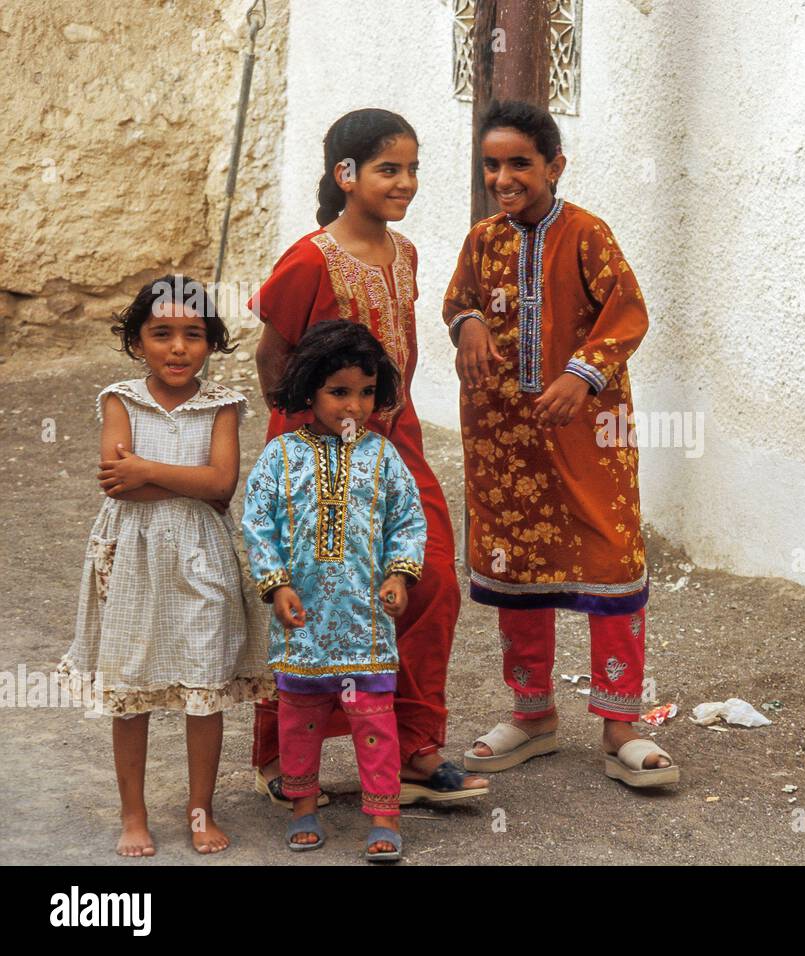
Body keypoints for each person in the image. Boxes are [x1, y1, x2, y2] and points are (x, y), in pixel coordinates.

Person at [250, 108, 488, 805]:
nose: (406, 182)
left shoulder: (406, 255)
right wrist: (312, 443)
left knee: (433, 578)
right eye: (390, 169)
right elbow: (273, 359)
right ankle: (280, 759)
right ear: (345, 175)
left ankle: (412, 746)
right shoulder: (307, 259)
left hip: (396, 445)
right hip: (315, 451)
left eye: (413, 168)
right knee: (311, 593)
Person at [444, 99, 677, 787]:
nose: (504, 176)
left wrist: (583, 374)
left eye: (520, 162)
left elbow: (627, 313)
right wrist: (468, 325)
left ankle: (620, 726)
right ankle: (533, 714)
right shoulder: (482, 239)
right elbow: (458, 299)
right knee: (516, 569)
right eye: (492, 164)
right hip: (502, 439)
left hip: (585, 433)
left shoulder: (587, 235)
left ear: (554, 166)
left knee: (612, 560)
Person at [58, 276, 272, 856]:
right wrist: (181, 482)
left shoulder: (221, 405)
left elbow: (222, 484)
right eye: (162, 334)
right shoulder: (119, 399)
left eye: (194, 335)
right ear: (136, 342)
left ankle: (200, 810)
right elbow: (117, 487)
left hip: (203, 560)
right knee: (133, 688)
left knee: (204, 686)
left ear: (211, 342)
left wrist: (146, 469)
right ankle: (134, 813)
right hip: (131, 558)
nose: (178, 348)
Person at [244, 320, 425, 861]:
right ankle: (302, 807)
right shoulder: (279, 457)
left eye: (367, 392)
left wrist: (398, 574)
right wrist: (276, 586)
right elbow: (258, 524)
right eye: (339, 391)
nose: (356, 406)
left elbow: (408, 521)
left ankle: (383, 812)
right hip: (301, 621)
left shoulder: (382, 456)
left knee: (374, 715)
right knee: (299, 716)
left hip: (365, 624)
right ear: (309, 391)